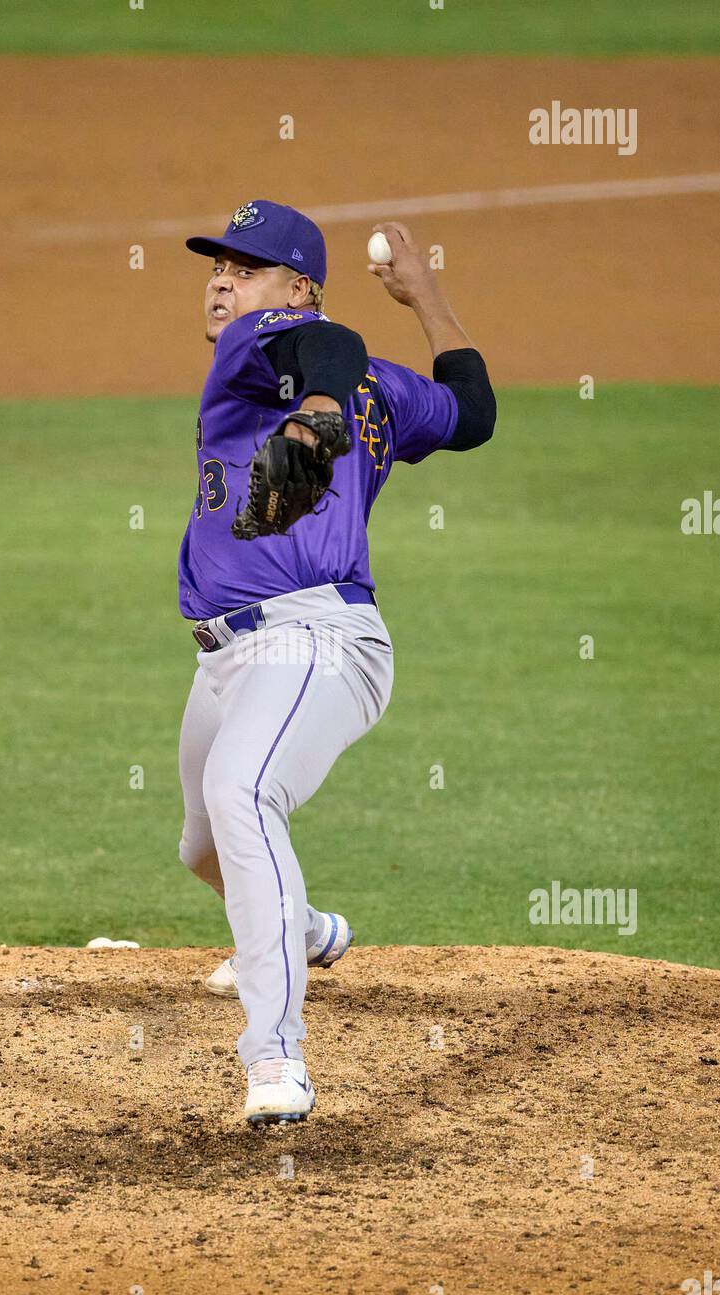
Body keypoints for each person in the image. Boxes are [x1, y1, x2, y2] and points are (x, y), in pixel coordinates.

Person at [177, 200, 495, 1125]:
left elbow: (341, 352)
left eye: (246, 267)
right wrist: (426, 303)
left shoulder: (270, 347)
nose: (221, 282)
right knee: (202, 849)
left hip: (316, 640)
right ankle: (308, 932)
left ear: (298, 290)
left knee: (243, 797)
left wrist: (321, 409)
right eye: (215, 265)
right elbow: (467, 413)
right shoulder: (349, 378)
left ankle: (274, 1059)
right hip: (227, 658)